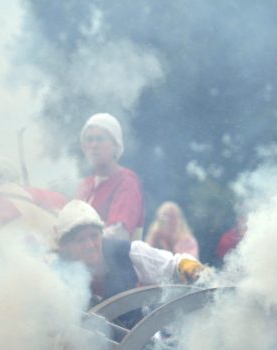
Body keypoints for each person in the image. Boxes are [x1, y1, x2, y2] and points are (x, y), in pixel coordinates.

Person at [56, 200, 202, 304]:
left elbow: (173, 266)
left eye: (94, 236)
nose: (90, 245)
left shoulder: (129, 253)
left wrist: (185, 265)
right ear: (66, 246)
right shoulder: (55, 278)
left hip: (140, 344)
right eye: (80, 240)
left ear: (101, 235)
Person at [75, 113, 144, 241]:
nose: (94, 145)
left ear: (115, 145)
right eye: (89, 140)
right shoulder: (85, 185)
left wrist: (77, 241)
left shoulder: (127, 182)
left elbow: (119, 235)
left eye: (100, 139)